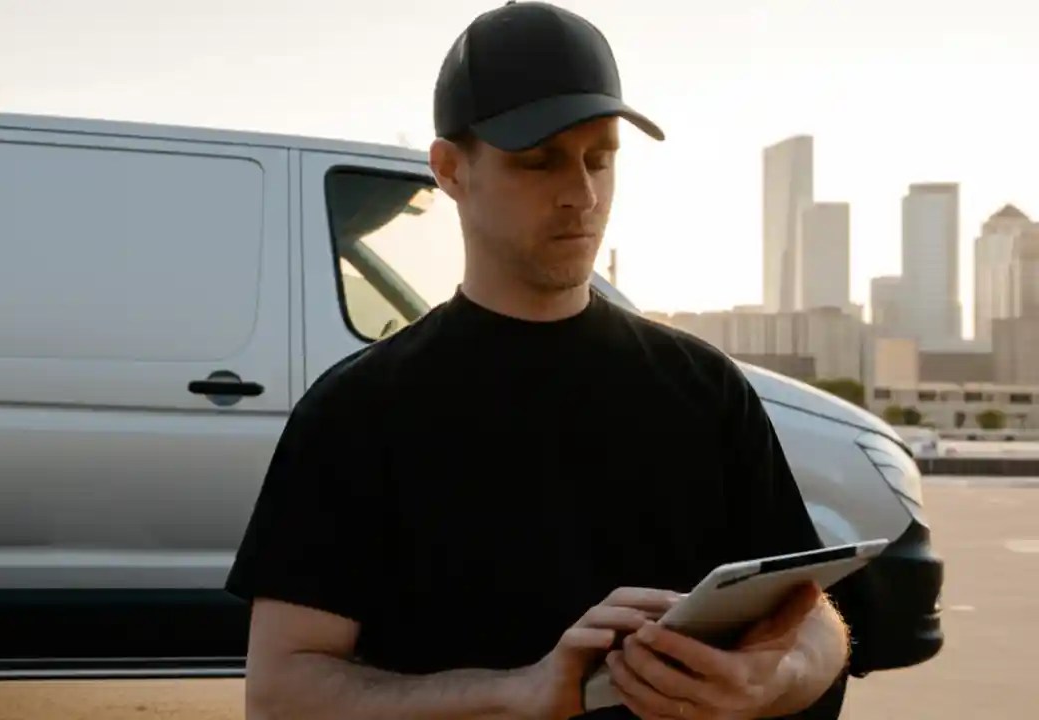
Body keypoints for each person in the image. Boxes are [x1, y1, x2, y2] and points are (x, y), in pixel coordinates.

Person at [225, 2, 852, 718]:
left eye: (601, 157)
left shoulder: (703, 388)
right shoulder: (357, 412)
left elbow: (815, 618)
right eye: (539, 160)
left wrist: (771, 680)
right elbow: (279, 695)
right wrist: (518, 693)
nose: (581, 194)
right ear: (450, 170)